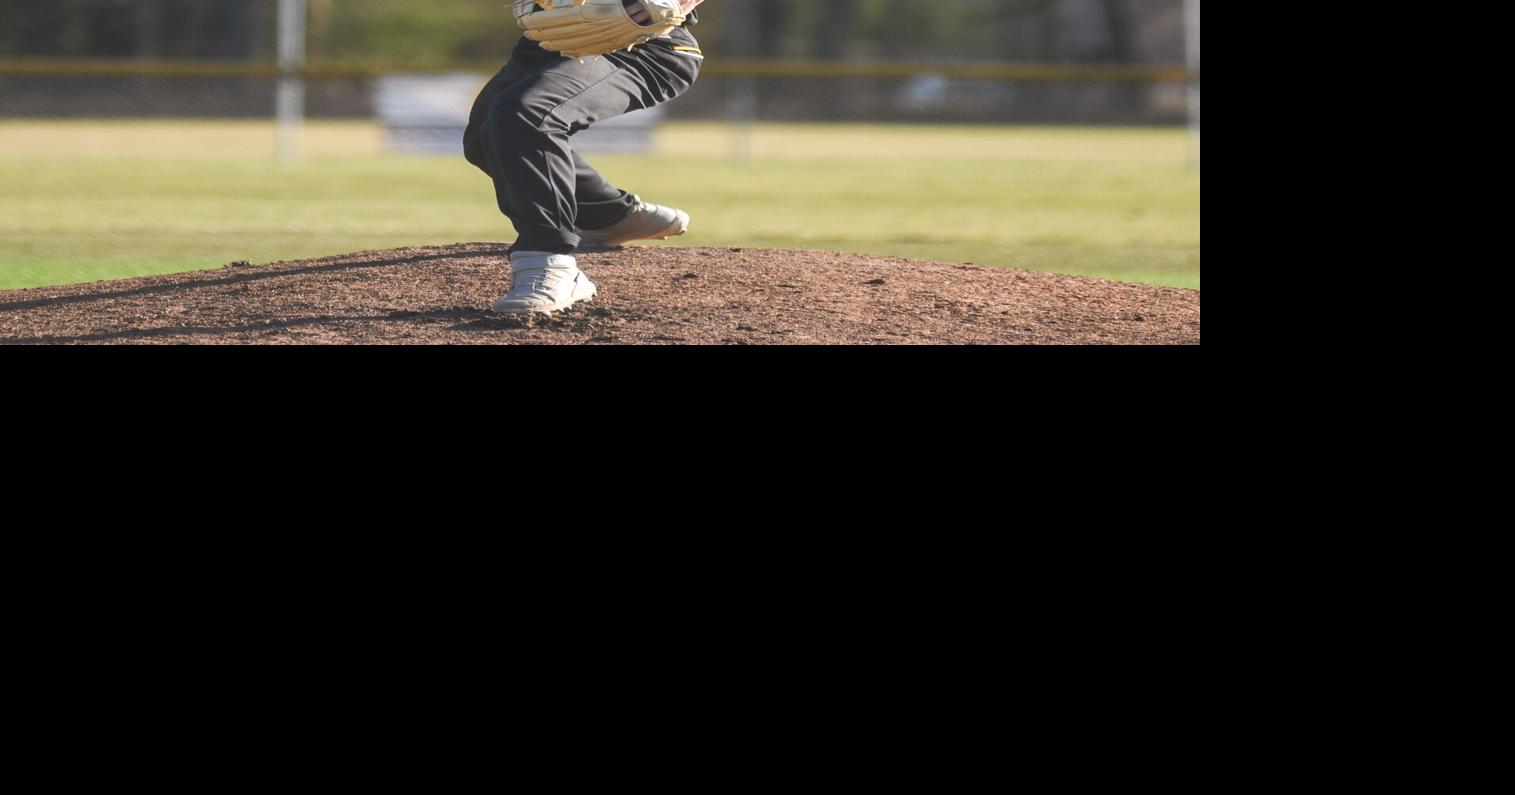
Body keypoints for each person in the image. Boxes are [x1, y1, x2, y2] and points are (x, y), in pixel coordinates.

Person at [464, 0, 708, 315]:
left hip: (642, 41)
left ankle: (549, 263)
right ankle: (609, 217)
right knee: (485, 138)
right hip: (552, 39)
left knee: (527, 113)